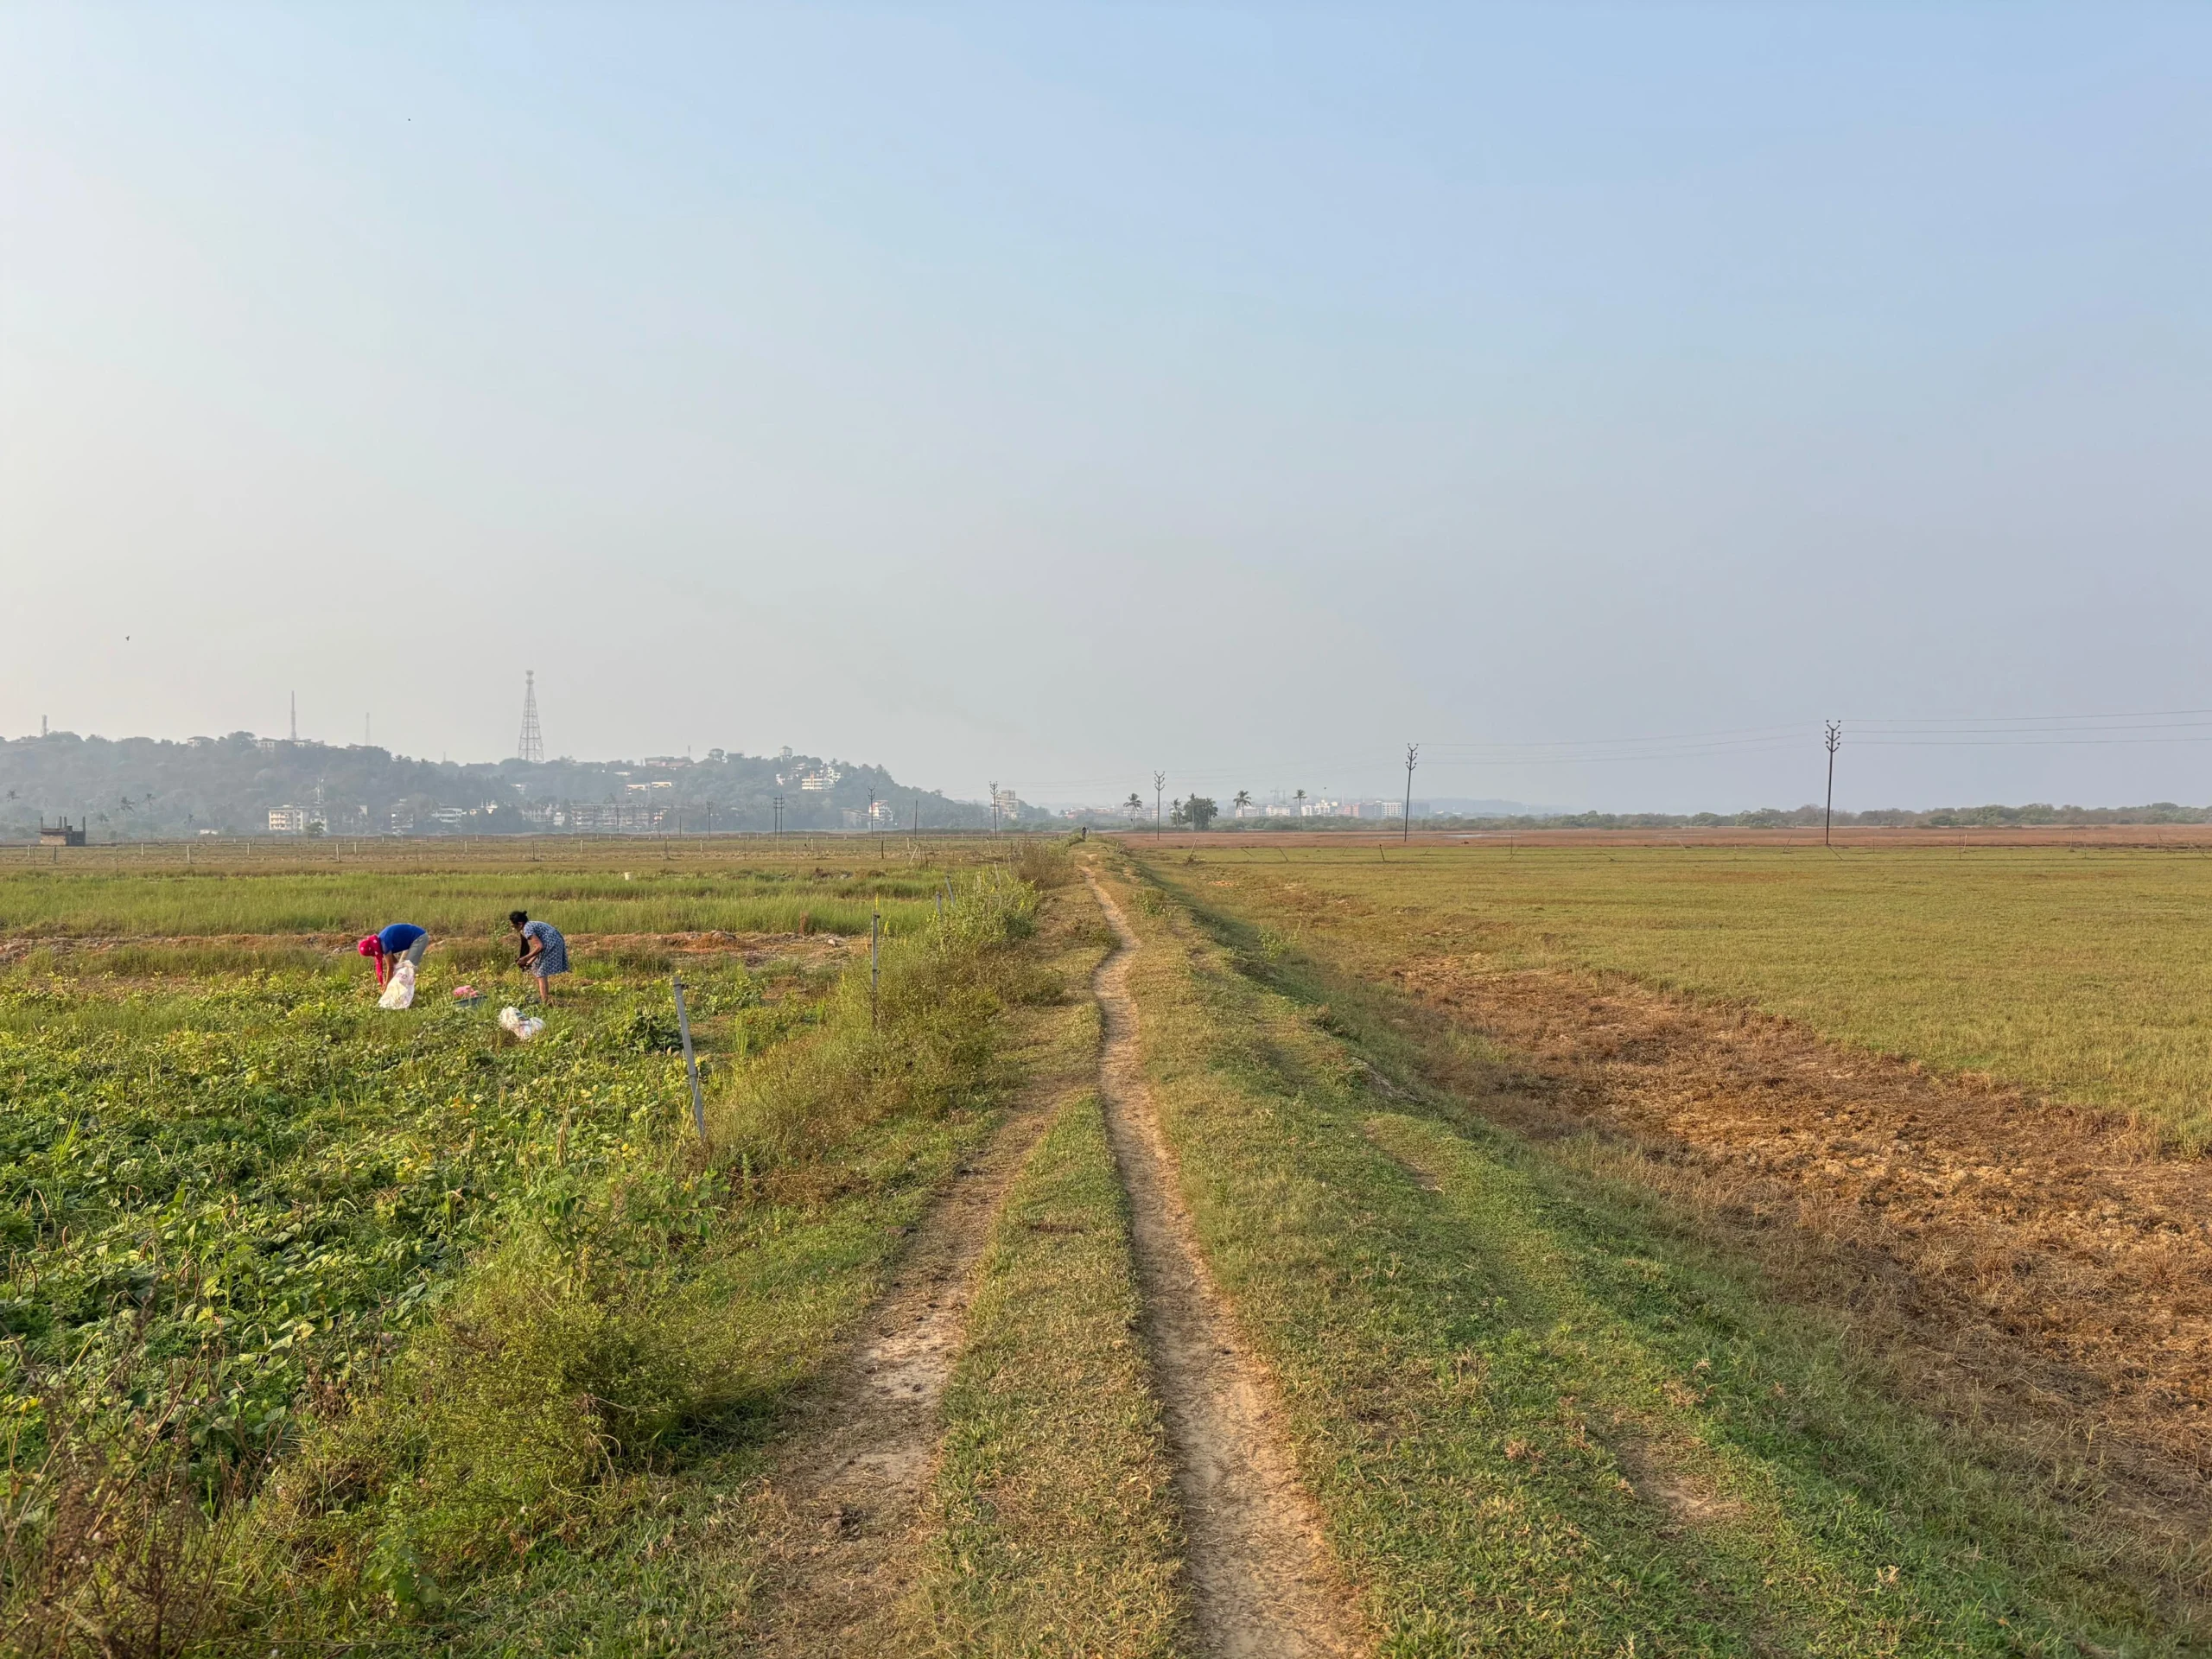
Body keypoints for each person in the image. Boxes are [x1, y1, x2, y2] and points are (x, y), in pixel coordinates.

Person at [510, 910, 569, 1002]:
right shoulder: (529, 925)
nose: (513, 928)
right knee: (536, 968)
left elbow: (540, 947)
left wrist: (525, 958)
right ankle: (543, 995)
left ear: (520, 924)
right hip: (551, 943)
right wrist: (529, 962)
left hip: (552, 944)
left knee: (541, 973)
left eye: (513, 926)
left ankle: (544, 1001)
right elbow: (538, 949)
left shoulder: (527, 929)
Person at [358, 922, 429, 988]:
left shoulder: (384, 944)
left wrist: (386, 987)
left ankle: (407, 997)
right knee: (401, 970)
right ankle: (401, 993)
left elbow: (390, 967)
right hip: (412, 941)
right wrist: (390, 979)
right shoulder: (379, 941)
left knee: (407, 969)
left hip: (420, 938)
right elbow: (395, 963)